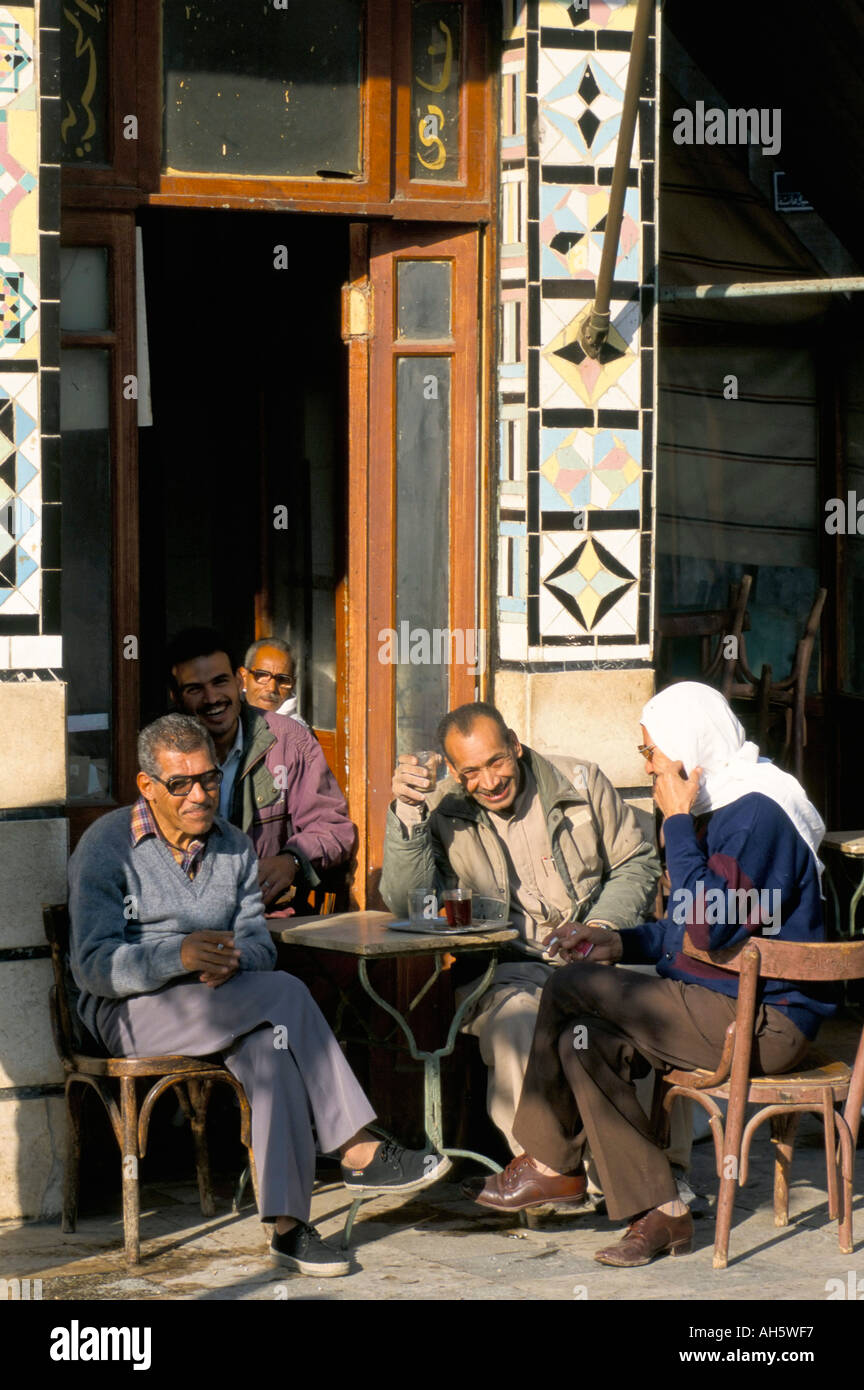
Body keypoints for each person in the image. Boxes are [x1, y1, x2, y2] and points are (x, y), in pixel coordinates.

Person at [67, 714, 449, 1277]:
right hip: (129, 1011)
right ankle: (357, 1148)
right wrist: (178, 956)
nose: (199, 794)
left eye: (210, 778)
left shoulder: (232, 844)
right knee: (287, 996)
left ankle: (290, 1229)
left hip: (226, 999)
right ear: (148, 786)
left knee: (272, 1047)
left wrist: (235, 958)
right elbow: (93, 967)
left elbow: (258, 939)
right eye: (181, 784)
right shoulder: (106, 848)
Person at [472, 682, 835, 1267]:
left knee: (566, 987)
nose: (645, 766)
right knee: (580, 1039)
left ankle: (550, 1163)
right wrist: (617, 941)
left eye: (650, 753)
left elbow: (711, 927)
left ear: (688, 750)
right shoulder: (725, 808)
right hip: (716, 1004)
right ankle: (660, 1212)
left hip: (764, 1024)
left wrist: (672, 822)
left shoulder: (757, 814)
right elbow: (691, 931)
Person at [379, 701, 663, 1165]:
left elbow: (636, 861)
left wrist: (602, 927)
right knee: (518, 1028)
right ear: (453, 769)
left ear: (515, 744)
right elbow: (409, 900)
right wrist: (409, 811)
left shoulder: (582, 783)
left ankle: (650, 1171)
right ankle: (547, 1171)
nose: (489, 782)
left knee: (643, 1014)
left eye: (497, 761)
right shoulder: (441, 809)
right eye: (471, 771)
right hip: (505, 971)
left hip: (596, 958)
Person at [166, 627, 353, 914]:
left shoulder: (290, 741)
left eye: (220, 682)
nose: (212, 697)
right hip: (185, 925)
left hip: (271, 923)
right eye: (195, 689)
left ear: (238, 680)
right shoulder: (162, 752)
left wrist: (292, 860)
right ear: (176, 697)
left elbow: (333, 827)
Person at [239, 637, 308, 727]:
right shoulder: (226, 715)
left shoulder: (297, 734)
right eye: (262, 675)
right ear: (243, 677)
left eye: (282, 679)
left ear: (293, 685)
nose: (272, 688)